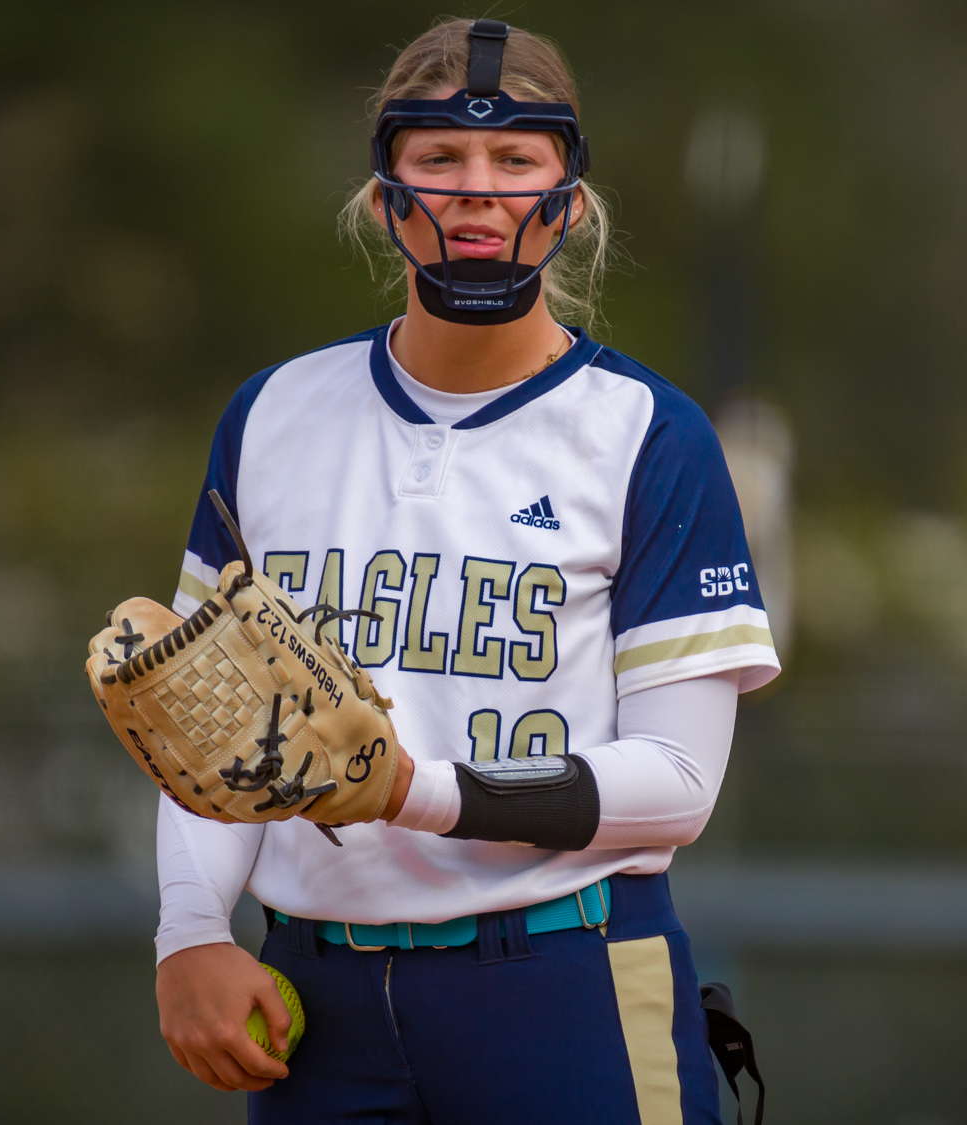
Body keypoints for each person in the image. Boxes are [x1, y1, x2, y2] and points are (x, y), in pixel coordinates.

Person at [150, 19, 778, 1124]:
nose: (474, 191)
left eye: (514, 158)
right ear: (384, 192)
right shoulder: (272, 415)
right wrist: (191, 932)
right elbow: (214, 735)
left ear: (570, 196)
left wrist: (415, 795)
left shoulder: (646, 434)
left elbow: (678, 787)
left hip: (563, 976)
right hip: (318, 997)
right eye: (436, 158)